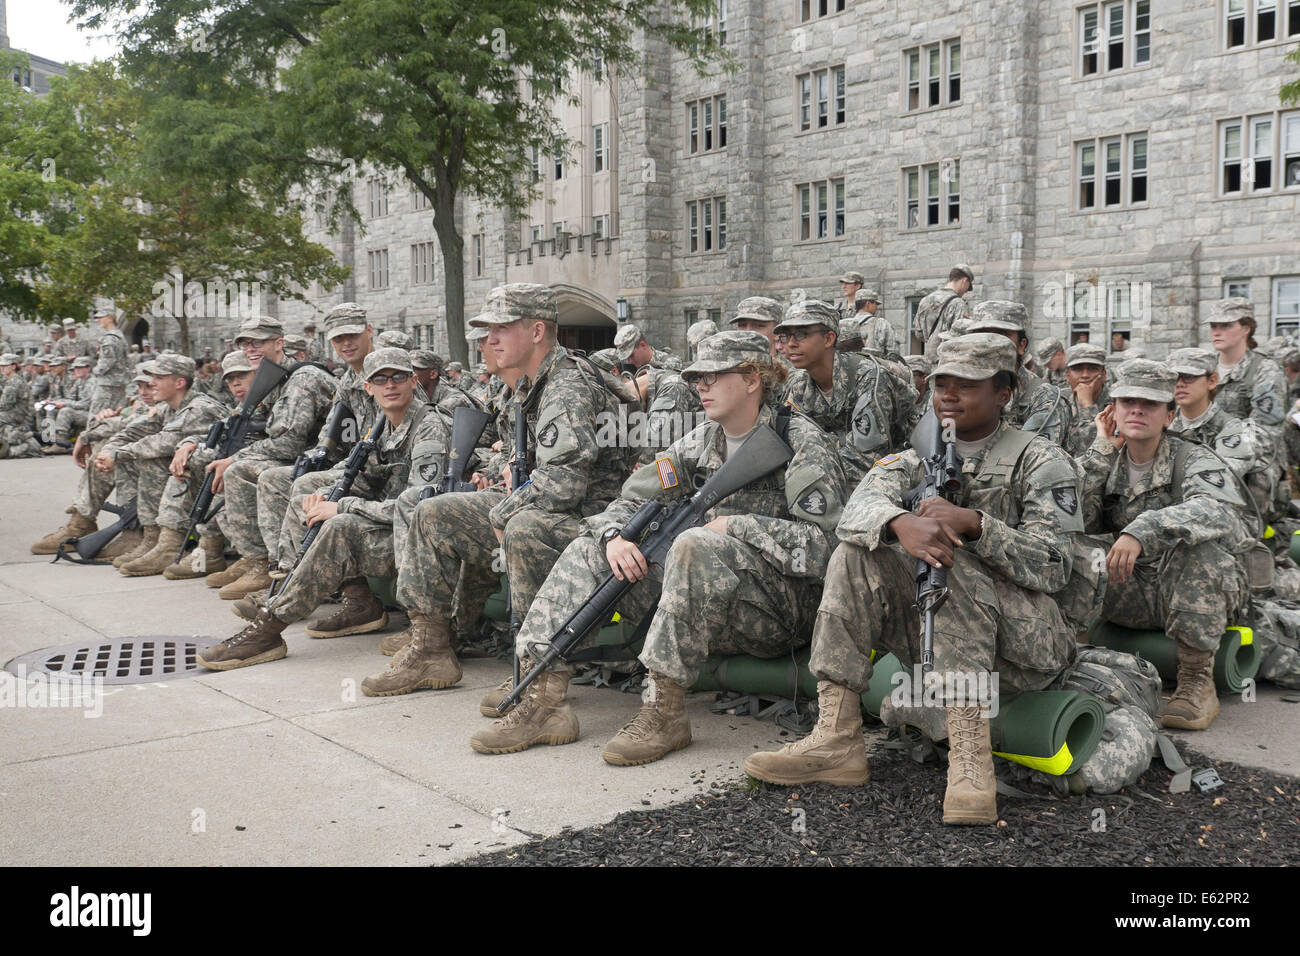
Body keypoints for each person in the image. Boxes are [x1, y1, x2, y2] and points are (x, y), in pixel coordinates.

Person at [745, 333, 1082, 826]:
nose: (947, 394)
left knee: (952, 555)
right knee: (856, 551)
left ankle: (970, 754)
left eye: (965, 385)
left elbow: (1056, 566)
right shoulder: (917, 458)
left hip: (1025, 647)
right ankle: (837, 736)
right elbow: (855, 511)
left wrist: (978, 526)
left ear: (1004, 393)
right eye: (941, 383)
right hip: (934, 638)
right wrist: (899, 524)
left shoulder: (1041, 460)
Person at [471, 330, 847, 760]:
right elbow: (628, 499)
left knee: (693, 544)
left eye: (713, 376)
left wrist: (738, 527)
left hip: (776, 616)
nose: (700, 386)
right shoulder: (701, 440)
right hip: (706, 608)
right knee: (591, 548)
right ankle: (543, 697)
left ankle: (663, 710)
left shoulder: (800, 442)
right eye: (696, 378)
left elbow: (828, 547)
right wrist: (615, 537)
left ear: (752, 379)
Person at [376, 283, 627, 698]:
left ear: (537, 331)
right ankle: (431, 647)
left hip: (593, 521)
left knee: (522, 524)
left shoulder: (567, 386)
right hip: (554, 507)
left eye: (502, 328)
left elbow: (563, 484)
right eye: (487, 330)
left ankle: (537, 670)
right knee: (432, 511)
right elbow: (520, 458)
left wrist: (501, 510)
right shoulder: (528, 386)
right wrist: (496, 475)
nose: (489, 339)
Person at [197, 349, 454, 670]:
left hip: (419, 544)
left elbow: (417, 506)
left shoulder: (429, 426)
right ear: (367, 387)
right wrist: (321, 494)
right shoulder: (384, 425)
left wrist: (341, 505)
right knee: (320, 502)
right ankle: (272, 623)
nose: (390, 385)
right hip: (395, 533)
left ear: (414, 381)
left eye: (399, 377)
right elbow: (360, 471)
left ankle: (271, 623)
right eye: (380, 379)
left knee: (339, 524)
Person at [1077, 359, 1254, 731]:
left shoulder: (1193, 459)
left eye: (1151, 404)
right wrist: (1100, 452)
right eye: (1127, 402)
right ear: (1112, 410)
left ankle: (1195, 682)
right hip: (1133, 589)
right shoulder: (1104, 458)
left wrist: (1143, 529)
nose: (1137, 410)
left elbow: (1220, 512)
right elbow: (1073, 517)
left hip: (1195, 595)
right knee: (1071, 546)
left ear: (1170, 415)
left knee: (1201, 550)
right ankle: (1071, 658)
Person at [180, 315, 335, 596]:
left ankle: (271, 565)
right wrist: (195, 443)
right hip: (304, 456)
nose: (250, 349)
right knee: (218, 463)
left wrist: (236, 458)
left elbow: (288, 443)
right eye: (245, 344)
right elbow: (239, 424)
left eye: (258, 342)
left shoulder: (302, 379)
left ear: (279, 343)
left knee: (241, 471)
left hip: (327, 461)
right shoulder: (273, 377)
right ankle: (252, 558)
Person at [93, 354, 230, 576]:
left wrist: (117, 455)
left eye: (158, 377)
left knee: (176, 461)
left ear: (179, 383)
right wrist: (109, 452)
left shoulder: (199, 408)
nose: (152, 383)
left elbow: (162, 442)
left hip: (217, 492)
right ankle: (152, 537)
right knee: (143, 459)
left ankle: (172, 544)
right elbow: (133, 431)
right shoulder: (167, 407)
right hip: (204, 491)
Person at [777, 300, 916, 486]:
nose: (791, 344)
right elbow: (791, 444)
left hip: (891, 475)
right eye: (786, 336)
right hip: (831, 472)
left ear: (828, 339)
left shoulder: (868, 377)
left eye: (801, 335)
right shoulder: (798, 384)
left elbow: (865, 460)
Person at [1207, 297, 1288, 526]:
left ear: (1246, 328)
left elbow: (1264, 431)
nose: (1217, 332)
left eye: (1226, 325)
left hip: (1249, 466)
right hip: (1205, 455)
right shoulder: (1203, 367)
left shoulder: (1265, 370)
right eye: (1214, 326)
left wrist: (1220, 461)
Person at [964, 300, 1073, 447]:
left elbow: (1031, 460)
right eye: (982, 334)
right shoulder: (955, 389)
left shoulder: (1044, 397)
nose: (989, 343)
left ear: (1022, 345)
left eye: (1002, 336)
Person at [914, 265, 974, 357]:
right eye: (968, 287)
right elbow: (960, 338)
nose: (966, 291)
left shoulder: (925, 300)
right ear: (964, 281)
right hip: (947, 362)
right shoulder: (958, 303)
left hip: (928, 361)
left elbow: (918, 334)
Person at [1062, 342, 1109, 456]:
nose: (1085, 375)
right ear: (1068, 375)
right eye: (1078, 369)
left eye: (1093, 369)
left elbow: (1100, 451)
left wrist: (1088, 406)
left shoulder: (1117, 404)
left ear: (1103, 374)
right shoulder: (1058, 400)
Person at [89, 309, 130, 415]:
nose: (98, 320)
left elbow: (107, 362)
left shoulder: (109, 339)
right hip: (120, 382)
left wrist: (94, 370)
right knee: (113, 417)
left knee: (95, 417)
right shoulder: (120, 336)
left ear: (110, 318)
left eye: (101, 317)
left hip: (107, 385)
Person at [0, 353, 39, 459]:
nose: (2, 368)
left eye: (5, 366)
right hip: (14, 412)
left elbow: (5, 405)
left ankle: (24, 442)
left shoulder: (14, 382)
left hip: (17, 413)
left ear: (13, 366)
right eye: (1, 366)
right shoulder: (10, 380)